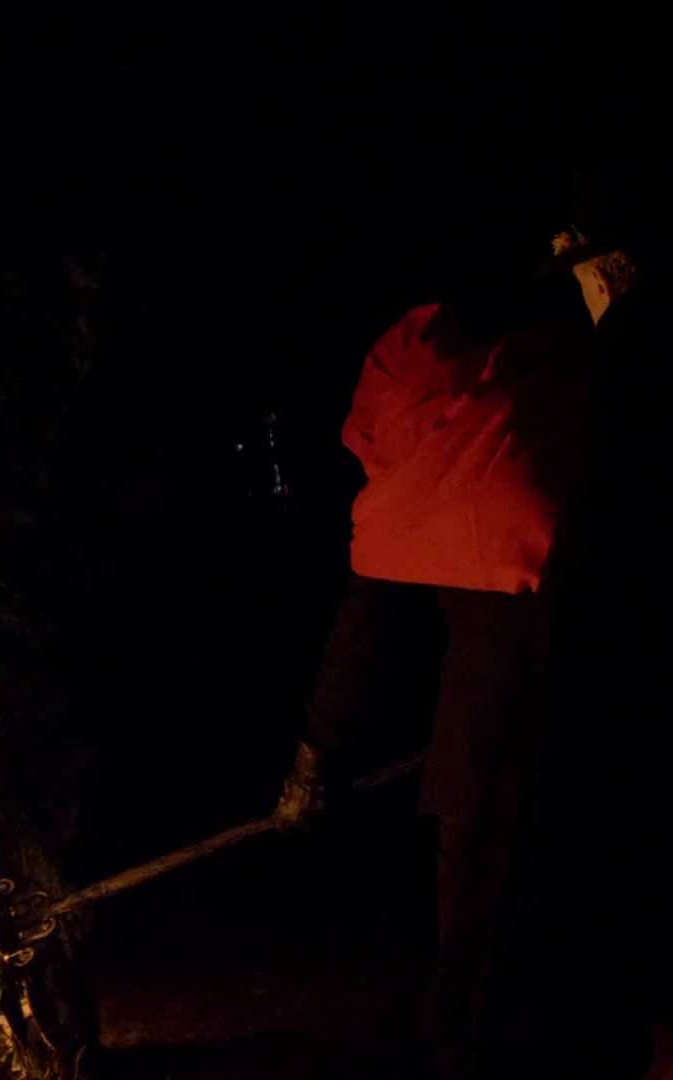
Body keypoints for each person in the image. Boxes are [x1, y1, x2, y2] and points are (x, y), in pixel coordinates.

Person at [275, 272, 594, 1080]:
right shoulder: (533, 403)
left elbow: (364, 626)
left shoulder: (432, 472)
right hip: (597, 726)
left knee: (481, 977)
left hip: (492, 750)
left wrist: (315, 760)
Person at [536, 171, 673, 1080]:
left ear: (606, 270)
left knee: (664, 916)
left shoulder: (627, 365)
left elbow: (601, 535)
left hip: (653, 680)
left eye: (577, 273)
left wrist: (562, 639)